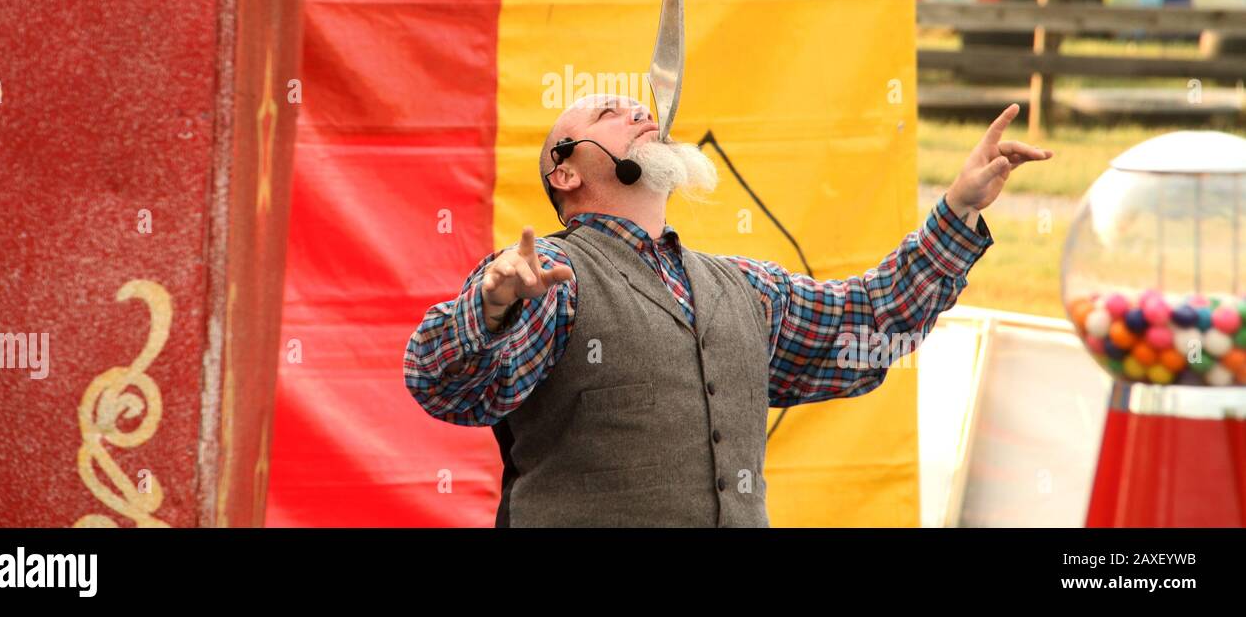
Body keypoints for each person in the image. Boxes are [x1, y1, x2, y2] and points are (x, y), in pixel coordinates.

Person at [404, 94, 1052, 527]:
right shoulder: (553, 277)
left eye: (637, 105)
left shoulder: (745, 287)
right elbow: (451, 388)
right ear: (565, 170)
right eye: (608, 112)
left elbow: (873, 323)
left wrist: (959, 209)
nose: (636, 109)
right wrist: (492, 308)